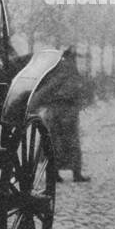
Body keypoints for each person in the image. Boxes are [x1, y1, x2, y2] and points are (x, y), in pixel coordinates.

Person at [37, 46, 92, 183]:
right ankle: (70, 173)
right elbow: (50, 89)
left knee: (60, 142)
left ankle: (67, 173)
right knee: (64, 143)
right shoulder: (65, 71)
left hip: (62, 110)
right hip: (62, 111)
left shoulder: (62, 70)